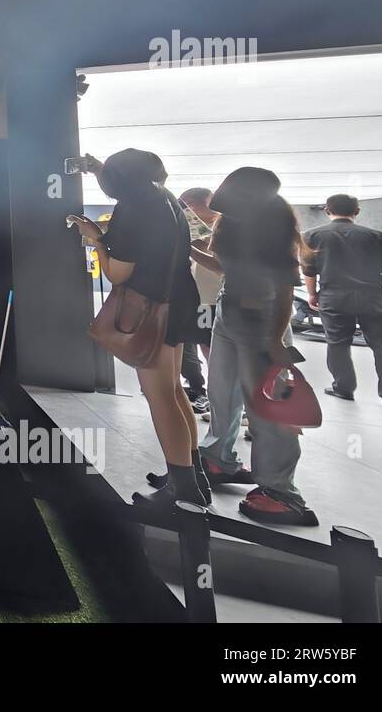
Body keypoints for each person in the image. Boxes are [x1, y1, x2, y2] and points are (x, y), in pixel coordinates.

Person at [68, 149, 207, 508]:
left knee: (160, 397)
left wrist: (96, 238)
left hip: (152, 308)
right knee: (174, 391)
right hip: (177, 301)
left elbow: (117, 273)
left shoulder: (132, 207)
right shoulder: (165, 198)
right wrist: (99, 168)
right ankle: (193, 474)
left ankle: (182, 490)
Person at [193, 167, 318, 526]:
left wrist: (277, 339)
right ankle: (219, 457)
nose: (220, 192)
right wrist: (186, 246)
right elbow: (222, 267)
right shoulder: (231, 223)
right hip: (228, 316)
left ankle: (282, 492)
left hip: (263, 323)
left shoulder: (274, 226)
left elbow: (283, 290)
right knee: (221, 392)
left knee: (267, 407)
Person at [302, 194, 382, 406]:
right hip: (374, 297)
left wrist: (312, 294)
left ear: (327, 210)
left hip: (334, 297)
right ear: (356, 211)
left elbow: (309, 270)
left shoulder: (312, 235)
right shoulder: (378, 236)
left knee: (338, 343)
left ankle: (343, 388)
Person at [179, 187, 221, 414]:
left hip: (219, 297)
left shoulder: (223, 227)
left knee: (216, 350)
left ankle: (224, 402)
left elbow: (217, 263)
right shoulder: (194, 229)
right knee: (205, 347)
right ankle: (211, 397)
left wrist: (193, 245)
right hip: (201, 299)